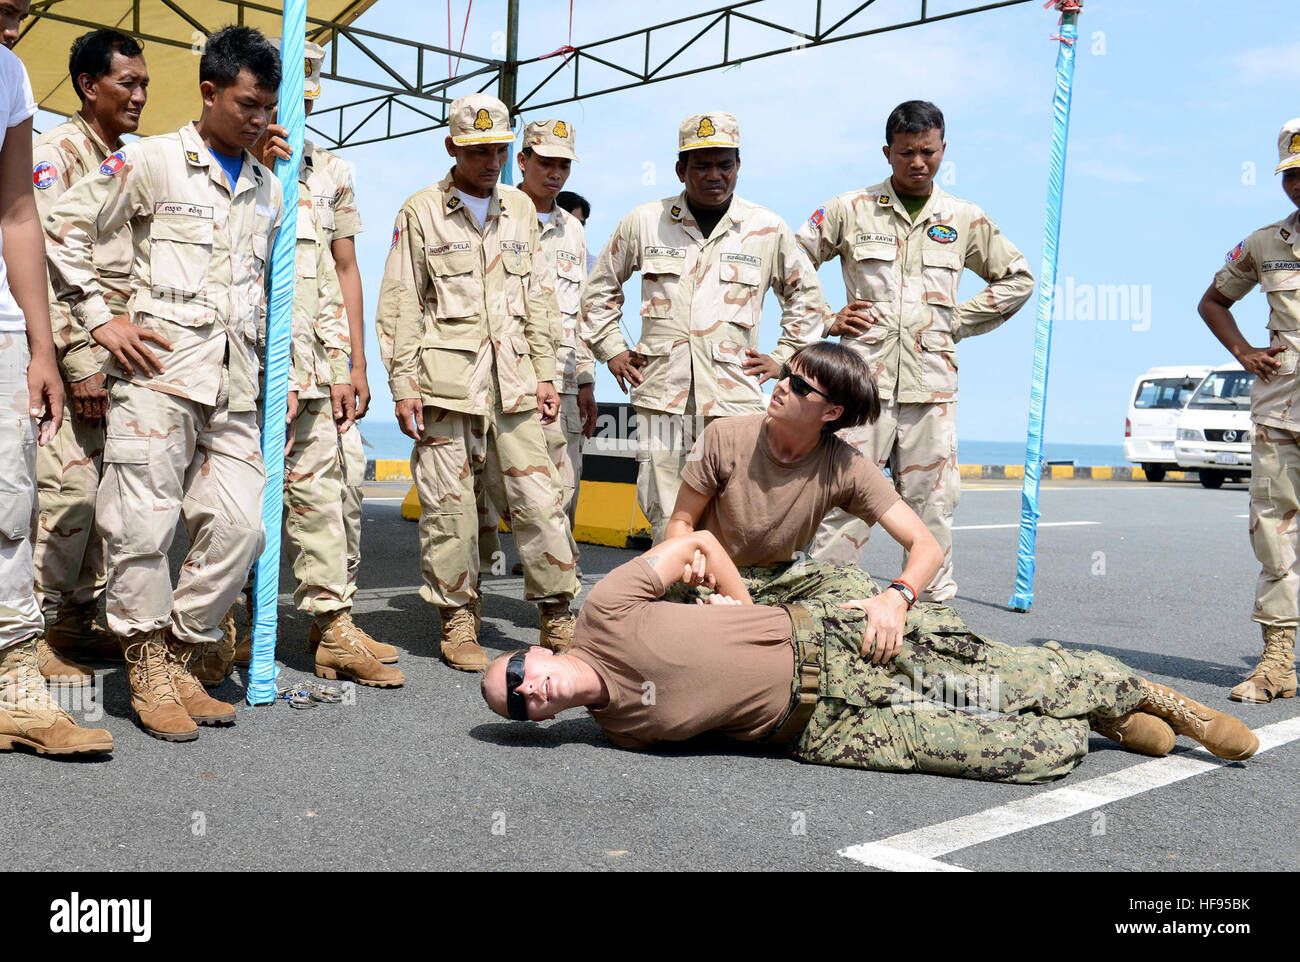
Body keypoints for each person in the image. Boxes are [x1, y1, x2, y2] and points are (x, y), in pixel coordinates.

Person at [481, 529, 1260, 782]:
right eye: (517, 704)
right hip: (823, 735)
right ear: (535, 718)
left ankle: (1156, 701)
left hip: (836, 646)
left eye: (516, 674)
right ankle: (1096, 721)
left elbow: (701, 541)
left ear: (534, 658)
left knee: (1003, 680)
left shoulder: (606, 612)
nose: (527, 689)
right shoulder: (622, 731)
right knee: (1011, 753)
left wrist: (745, 613)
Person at [45, 25, 285, 742]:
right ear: (209, 93)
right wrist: (98, 321)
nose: (259, 118)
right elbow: (61, 225)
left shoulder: (270, 185)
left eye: (269, 106)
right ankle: (146, 660)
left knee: (243, 527)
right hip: (159, 377)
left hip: (234, 384)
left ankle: (181, 647)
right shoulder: (151, 160)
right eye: (247, 103)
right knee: (140, 529)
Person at [192, 38, 399, 689]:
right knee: (234, 507)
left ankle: (330, 625)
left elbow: (343, 270)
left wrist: (354, 363)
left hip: (314, 367)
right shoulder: (217, 164)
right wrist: (249, 170)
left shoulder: (331, 172)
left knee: (325, 499)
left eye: (310, 82)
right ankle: (220, 626)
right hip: (242, 371)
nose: (300, 96)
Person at [796, 100, 1034, 602]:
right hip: (860, 390)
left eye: (928, 151)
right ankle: (824, 610)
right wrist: (825, 319)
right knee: (843, 501)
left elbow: (1018, 279)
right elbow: (792, 260)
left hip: (932, 389)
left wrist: (956, 322)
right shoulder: (849, 209)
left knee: (933, 504)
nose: (918, 162)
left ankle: (930, 615)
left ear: (943, 149)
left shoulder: (964, 218)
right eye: (907, 153)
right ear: (888, 152)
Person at [376, 93, 580, 671]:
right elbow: (402, 303)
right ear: (452, 149)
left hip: (515, 385)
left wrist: (546, 374)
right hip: (445, 387)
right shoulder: (420, 211)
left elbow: (541, 299)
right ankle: (458, 617)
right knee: (451, 511)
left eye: (499, 149)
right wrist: (404, 385)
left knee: (541, 504)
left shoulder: (519, 209)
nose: (491, 160)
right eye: (478, 150)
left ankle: (557, 613)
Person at [579, 111, 829, 543]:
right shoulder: (644, 222)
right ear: (681, 169)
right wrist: (612, 349)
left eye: (724, 164)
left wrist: (784, 360)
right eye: (701, 166)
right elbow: (597, 290)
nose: (714, 175)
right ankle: (673, 604)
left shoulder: (766, 229)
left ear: (738, 165)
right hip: (662, 397)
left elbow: (807, 298)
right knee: (664, 510)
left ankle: (727, 607)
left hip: (734, 400)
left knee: (737, 510)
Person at [0, 37, 113, 756]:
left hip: (5, 325)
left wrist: (44, 344)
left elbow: (17, 214)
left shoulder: (8, 73)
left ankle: (12, 680)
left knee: (11, 507)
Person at [29, 29, 148, 687]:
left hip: (115, 359)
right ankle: (32, 629)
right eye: (126, 83)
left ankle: (76, 619)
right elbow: (48, 262)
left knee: (106, 497)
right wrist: (80, 360)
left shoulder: (120, 161)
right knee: (68, 491)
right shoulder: (58, 155)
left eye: (144, 85)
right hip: (75, 357)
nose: (138, 96)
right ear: (87, 85)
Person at [1195, 117, 1300, 704]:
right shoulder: (1265, 244)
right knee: (1275, 530)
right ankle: (1279, 661)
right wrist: (1243, 351)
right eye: (1292, 174)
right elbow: (1212, 300)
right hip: (1281, 410)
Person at [480, 119, 598, 582]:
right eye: (545, 162)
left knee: (561, 488)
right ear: (522, 161)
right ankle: (478, 584)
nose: (555, 173)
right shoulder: (495, 212)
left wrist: (586, 379)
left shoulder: (574, 231)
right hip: (502, 376)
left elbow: (581, 310)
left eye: (563, 165)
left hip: (563, 381)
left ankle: (557, 584)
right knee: (489, 487)